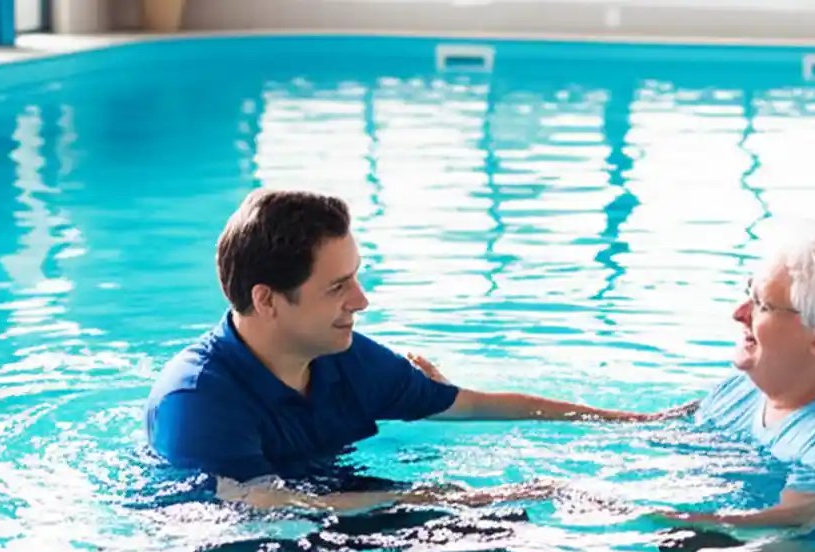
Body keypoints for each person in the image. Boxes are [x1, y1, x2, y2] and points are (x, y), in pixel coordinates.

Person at [145, 188, 687, 512]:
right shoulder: (196, 402)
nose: (361, 300)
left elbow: (472, 405)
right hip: (222, 543)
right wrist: (430, 497)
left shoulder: (345, 357)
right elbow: (260, 510)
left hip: (331, 495)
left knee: (488, 534)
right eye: (337, 287)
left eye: (354, 278)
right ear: (267, 300)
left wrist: (635, 421)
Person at [659, 228, 815, 535]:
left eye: (762, 305)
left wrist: (628, 515)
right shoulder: (745, 388)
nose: (739, 313)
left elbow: (791, 524)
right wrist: (589, 415)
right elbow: (665, 426)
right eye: (749, 295)